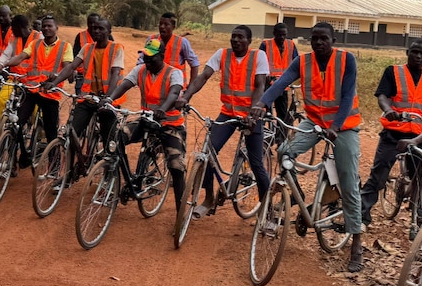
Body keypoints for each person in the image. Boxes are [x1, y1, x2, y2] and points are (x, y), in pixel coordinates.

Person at [251, 22, 365, 272]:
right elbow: (280, 84)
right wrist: (261, 103)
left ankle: (356, 240)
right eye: (314, 39)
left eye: (324, 38)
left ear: (333, 39)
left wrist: (335, 126)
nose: (319, 43)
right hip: (313, 122)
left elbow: (347, 96)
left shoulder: (347, 60)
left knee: (348, 180)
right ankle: (299, 197)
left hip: (343, 126)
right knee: (284, 153)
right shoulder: (302, 62)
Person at [176, 25, 270, 215]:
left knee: (256, 163)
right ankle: (209, 197)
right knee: (208, 152)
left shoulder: (258, 56)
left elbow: (260, 85)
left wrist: (253, 114)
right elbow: (203, 77)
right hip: (228, 113)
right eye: (233, 37)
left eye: (240, 37)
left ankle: (267, 210)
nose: (235, 40)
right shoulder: (222, 54)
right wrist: (186, 97)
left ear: (249, 41)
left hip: (251, 116)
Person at [104, 38, 188, 215]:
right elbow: (125, 84)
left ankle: (181, 214)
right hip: (146, 120)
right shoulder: (141, 70)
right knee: (117, 137)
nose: (147, 61)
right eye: (145, 57)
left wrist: (162, 110)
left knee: (176, 166)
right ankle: (128, 181)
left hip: (169, 124)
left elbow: (174, 93)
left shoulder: (174, 73)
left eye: (151, 58)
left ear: (162, 56)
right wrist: (109, 99)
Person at [360, 40, 422, 227]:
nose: (418, 56)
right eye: (415, 52)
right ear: (407, 52)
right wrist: (387, 109)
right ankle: (361, 215)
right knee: (379, 174)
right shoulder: (393, 71)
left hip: (418, 136)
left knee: (419, 176)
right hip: (393, 132)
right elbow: (382, 95)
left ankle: (421, 215)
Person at [41, 18, 126, 174]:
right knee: (72, 133)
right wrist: (55, 82)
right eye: (94, 29)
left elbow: (115, 74)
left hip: (108, 101)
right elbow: (72, 66)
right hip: (87, 98)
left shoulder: (117, 49)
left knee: (109, 140)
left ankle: (108, 180)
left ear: (109, 32)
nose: (97, 32)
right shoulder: (87, 48)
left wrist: (108, 98)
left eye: (101, 29)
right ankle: (70, 172)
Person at [0, 15, 73, 167]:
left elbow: (67, 67)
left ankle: (54, 166)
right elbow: (20, 57)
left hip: (51, 94)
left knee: (51, 131)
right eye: (44, 26)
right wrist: (3, 64)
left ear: (56, 28)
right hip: (31, 91)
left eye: (49, 26)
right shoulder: (35, 44)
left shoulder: (65, 47)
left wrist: (57, 76)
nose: (46, 28)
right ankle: (24, 155)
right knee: (17, 123)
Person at [138, 12, 200, 83]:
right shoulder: (151, 40)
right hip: (154, 87)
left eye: (166, 24)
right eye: (160, 24)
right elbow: (141, 61)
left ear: (173, 27)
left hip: (176, 88)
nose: (162, 27)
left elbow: (194, 63)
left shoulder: (182, 42)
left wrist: (191, 87)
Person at [259, 22, 299, 125]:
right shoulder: (265, 45)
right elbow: (259, 63)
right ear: (274, 33)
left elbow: (296, 63)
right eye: (279, 34)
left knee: (282, 113)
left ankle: (280, 137)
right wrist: (267, 77)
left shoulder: (291, 45)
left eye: (284, 35)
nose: (282, 37)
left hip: (283, 84)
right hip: (268, 84)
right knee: (265, 111)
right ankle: (264, 134)